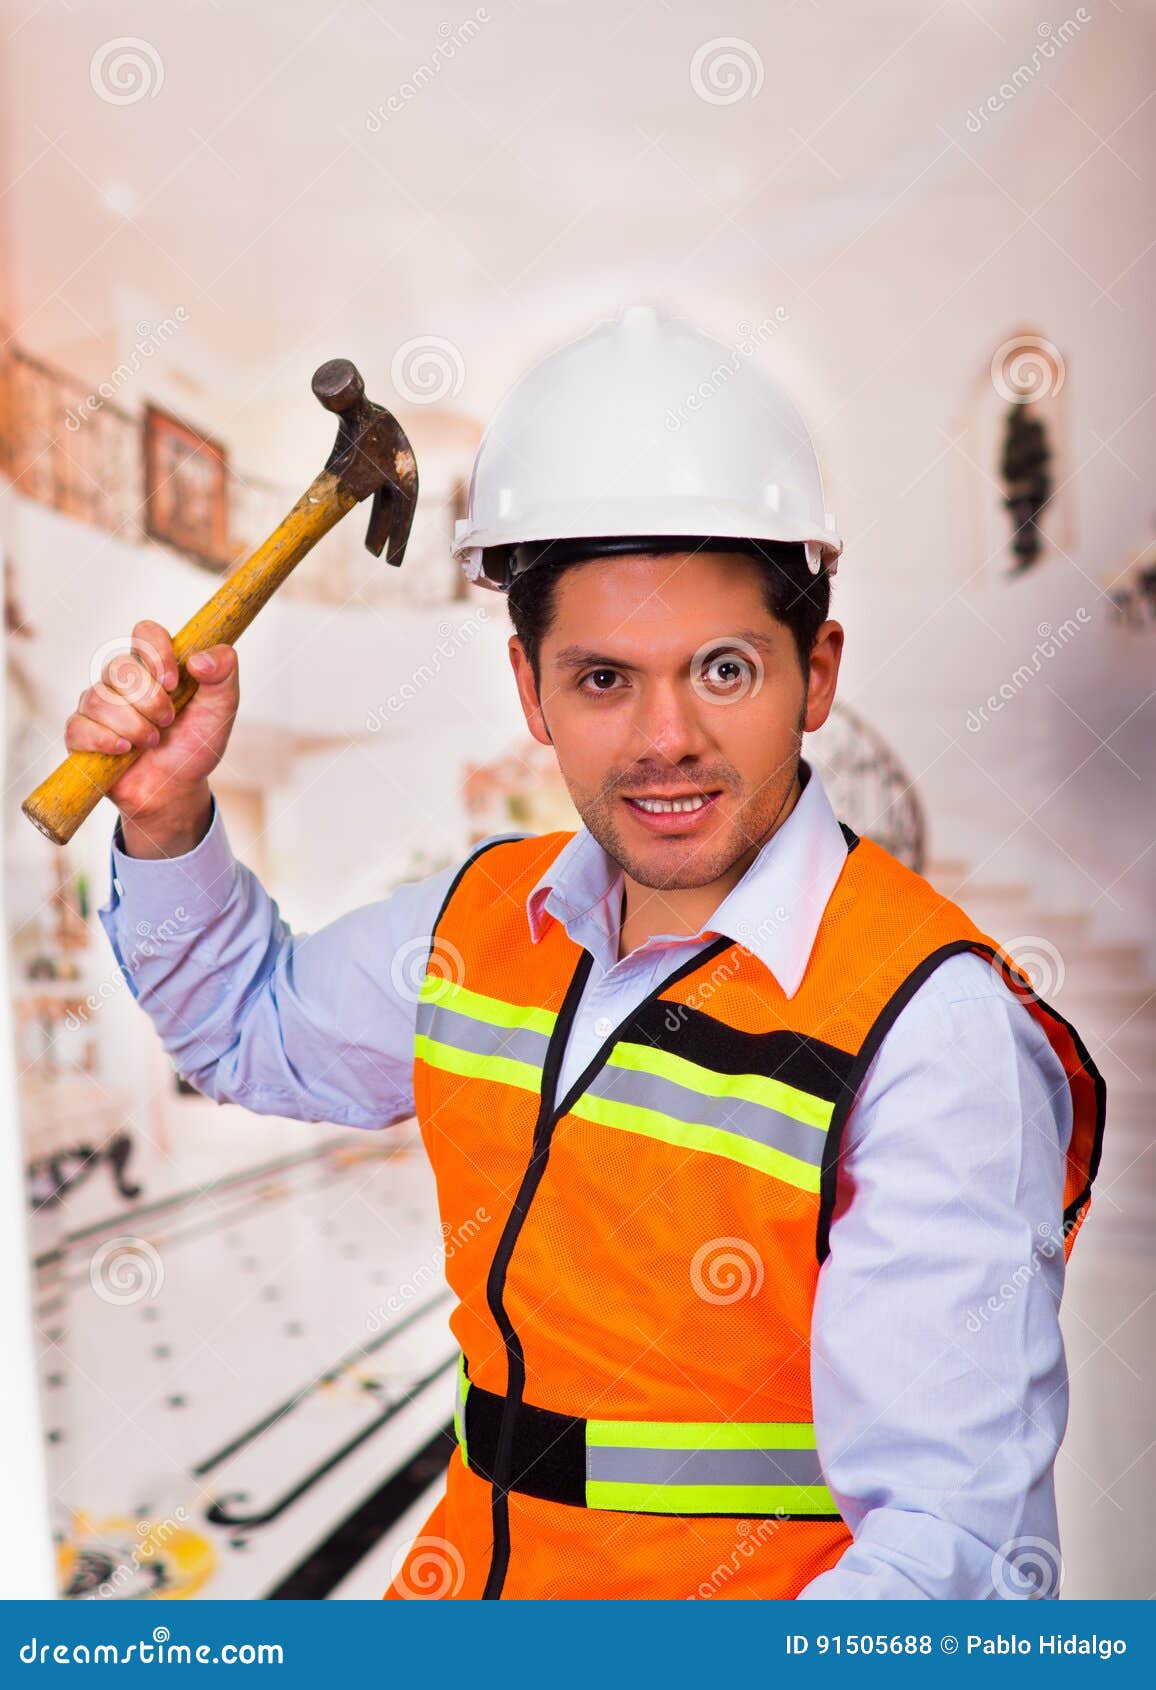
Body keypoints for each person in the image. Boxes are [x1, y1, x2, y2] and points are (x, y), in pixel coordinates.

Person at [81, 306, 1104, 1601]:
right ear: (532, 691)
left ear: (818, 671)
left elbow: (952, 1553)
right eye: (604, 678)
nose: (664, 736)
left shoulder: (929, 1027)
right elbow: (244, 1024)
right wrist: (166, 814)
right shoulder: (474, 926)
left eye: (723, 668)